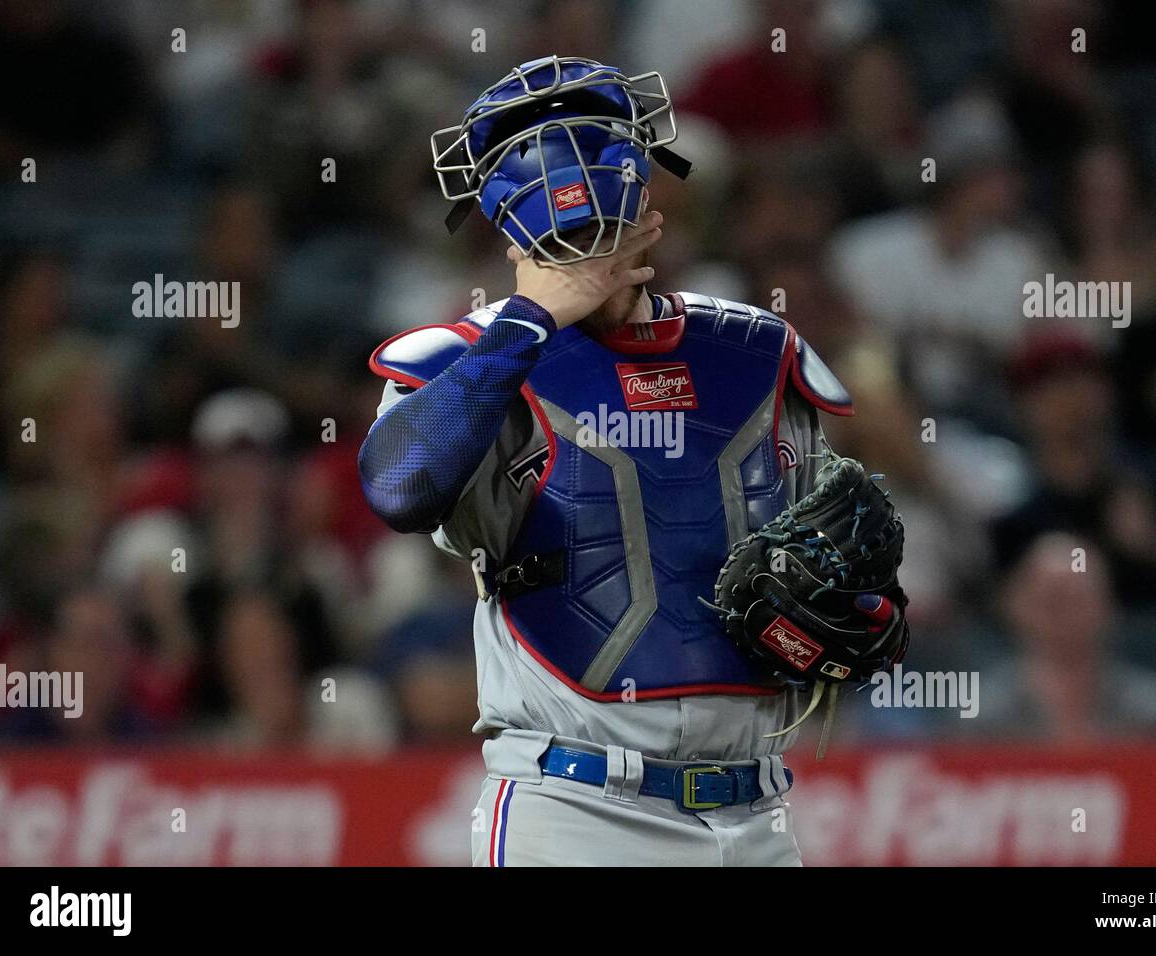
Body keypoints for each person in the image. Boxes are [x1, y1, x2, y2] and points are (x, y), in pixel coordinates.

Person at [358, 56, 907, 866]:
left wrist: (867, 616)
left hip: (756, 812)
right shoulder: (469, 362)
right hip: (575, 812)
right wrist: (531, 319)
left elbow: (847, 570)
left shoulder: (756, 349)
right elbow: (398, 488)